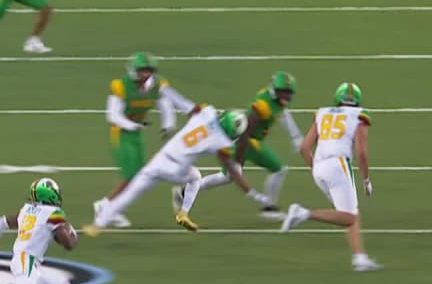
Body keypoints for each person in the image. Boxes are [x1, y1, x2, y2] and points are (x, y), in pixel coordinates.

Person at [84, 104, 238, 235]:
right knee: (195, 176)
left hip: (161, 159)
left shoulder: (206, 115)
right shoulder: (220, 141)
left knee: (133, 190)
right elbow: (229, 163)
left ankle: (99, 221)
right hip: (176, 170)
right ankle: (183, 213)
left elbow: (198, 108)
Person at [281, 82, 382, 271]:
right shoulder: (359, 115)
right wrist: (366, 179)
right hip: (338, 165)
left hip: (319, 167)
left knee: (350, 212)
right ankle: (302, 213)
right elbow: (361, 152)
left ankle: (359, 258)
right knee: (349, 217)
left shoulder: (323, 112)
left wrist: (315, 169)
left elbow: (304, 147)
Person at [179, 71, 303, 222]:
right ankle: (269, 208)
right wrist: (238, 160)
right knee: (279, 169)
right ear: (275, 90)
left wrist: (295, 136)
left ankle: (186, 191)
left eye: (288, 93)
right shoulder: (262, 105)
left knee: (226, 177)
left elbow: (283, 113)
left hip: (250, 140)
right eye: (283, 92)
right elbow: (245, 132)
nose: (286, 97)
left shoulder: (277, 100)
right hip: (249, 140)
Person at [94, 52, 200, 228]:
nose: (146, 74)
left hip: (136, 133)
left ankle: (108, 206)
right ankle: (105, 206)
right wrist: (131, 126)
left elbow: (164, 103)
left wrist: (168, 124)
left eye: (148, 70)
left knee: (137, 175)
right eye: (142, 70)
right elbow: (112, 115)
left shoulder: (155, 85)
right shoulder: (121, 86)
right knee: (131, 175)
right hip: (120, 133)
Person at [0, 177, 78, 284]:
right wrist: (72, 235)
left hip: (26, 261)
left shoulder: (25, 210)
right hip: (27, 261)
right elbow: (68, 244)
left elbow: (1, 222)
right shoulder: (53, 213)